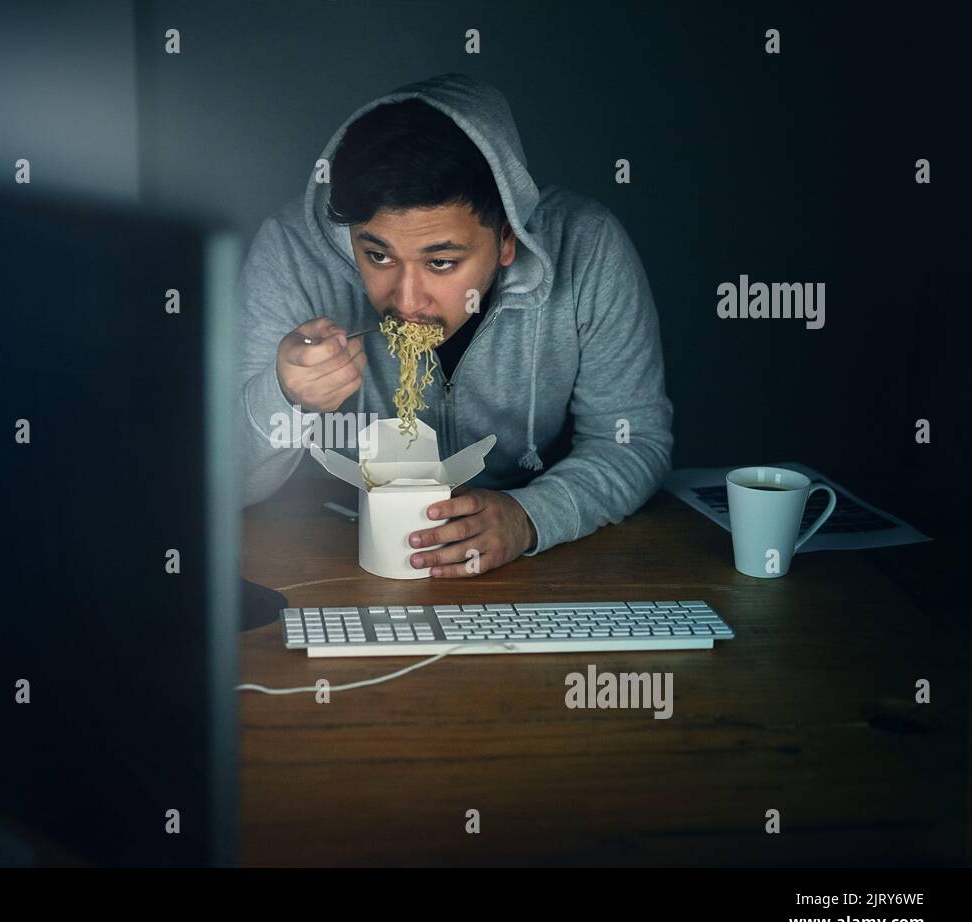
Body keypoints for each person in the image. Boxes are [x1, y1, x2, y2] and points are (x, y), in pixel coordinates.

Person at [239, 72, 673, 577]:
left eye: (441, 262)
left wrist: (531, 517)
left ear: (507, 240)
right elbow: (225, 483)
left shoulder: (588, 246)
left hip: (522, 569)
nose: (405, 300)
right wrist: (286, 398)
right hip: (332, 557)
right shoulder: (292, 253)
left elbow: (633, 439)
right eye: (377, 254)